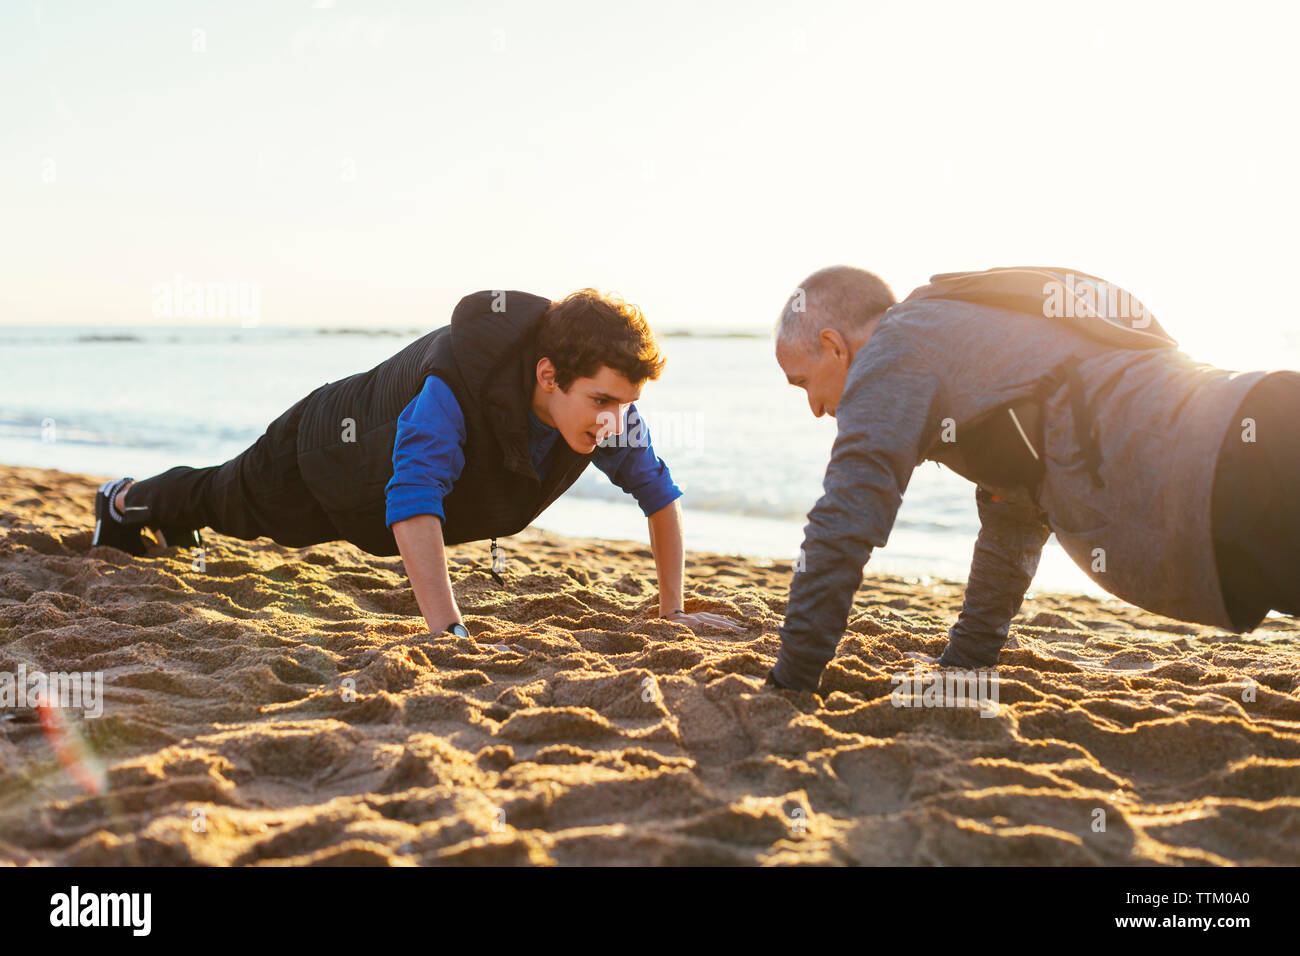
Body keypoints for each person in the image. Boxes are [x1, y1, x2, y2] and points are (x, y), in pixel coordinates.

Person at [763, 264, 1300, 693]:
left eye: (803, 382)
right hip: (1242, 439)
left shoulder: (892, 350)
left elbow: (846, 518)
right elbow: (1012, 520)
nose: (814, 407)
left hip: (1229, 467)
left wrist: (791, 679)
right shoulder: (966, 337)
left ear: (835, 345)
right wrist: (967, 662)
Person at [92, 288, 741, 638]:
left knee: (225, 511)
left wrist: (673, 611)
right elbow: (413, 501)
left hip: (367, 503)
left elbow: (660, 498)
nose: (616, 422)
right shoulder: (453, 391)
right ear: (548, 375)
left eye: (628, 405)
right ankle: (121, 502)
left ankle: (166, 517)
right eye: (602, 400)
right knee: (226, 500)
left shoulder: (608, 413)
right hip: (319, 456)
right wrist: (449, 633)